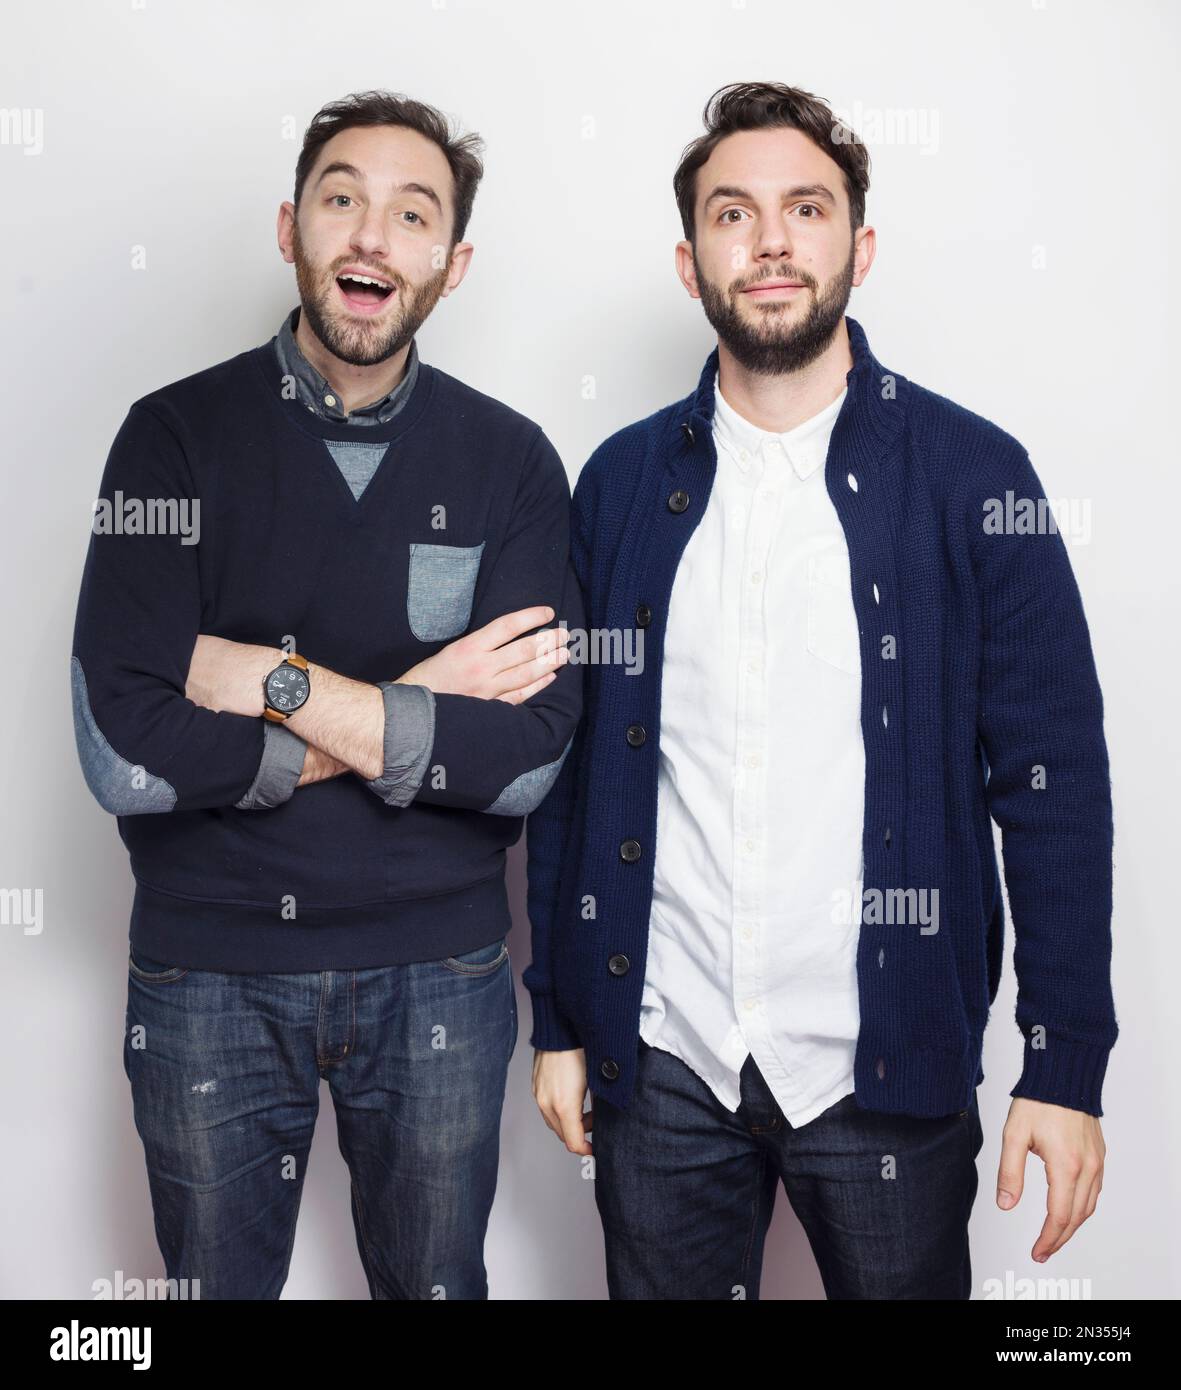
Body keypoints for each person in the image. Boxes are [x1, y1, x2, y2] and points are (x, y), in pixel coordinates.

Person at [525, 81, 1116, 1300]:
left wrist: (1061, 1066)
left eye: (806, 207)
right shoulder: (621, 482)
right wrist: (561, 1019)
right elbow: (571, 771)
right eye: (732, 214)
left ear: (860, 244)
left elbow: (1052, 781)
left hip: (881, 1065)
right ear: (689, 262)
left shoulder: (970, 474)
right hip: (663, 1057)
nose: (773, 240)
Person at [71, 89, 583, 1300]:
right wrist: (414, 705)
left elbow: (522, 758)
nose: (370, 237)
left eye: (412, 215)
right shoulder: (170, 440)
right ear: (289, 224)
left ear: (452, 266)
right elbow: (122, 755)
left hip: (440, 971)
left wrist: (261, 678)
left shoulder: (510, 461)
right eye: (341, 199)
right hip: (205, 972)